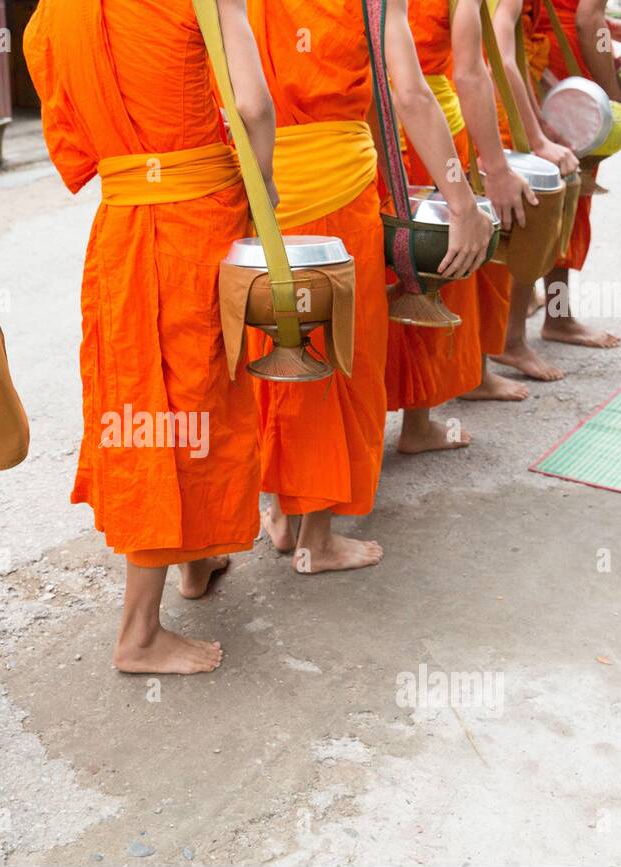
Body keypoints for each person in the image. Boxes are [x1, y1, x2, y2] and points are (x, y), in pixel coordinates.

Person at [25, 0, 273, 674]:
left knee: (156, 399)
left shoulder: (53, 14)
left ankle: (197, 562)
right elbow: (251, 105)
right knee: (179, 409)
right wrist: (265, 195)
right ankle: (138, 635)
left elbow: (70, 145)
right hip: (195, 219)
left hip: (123, 227)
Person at [252, 0, 492, 571]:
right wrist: (460, 202)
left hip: (261, 198)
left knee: (278, 349)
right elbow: (408, 94)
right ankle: (317, 536)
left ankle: (283, 511)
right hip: (338, 200)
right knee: (337, 357)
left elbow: (244, 99)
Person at [389, 0, 535, 451]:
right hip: (431, 133)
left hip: (371, 135)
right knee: (434, 269)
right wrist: (495, 167)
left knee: (390, 271)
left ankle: (451, 388)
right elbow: (470, 75)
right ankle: (419, 421)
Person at [486, 0, 586, 384]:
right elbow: (503, 60)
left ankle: (509, 336)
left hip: (497, 106)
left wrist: (540, 123)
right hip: (494, 113)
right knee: (527, 221)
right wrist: (536, 138)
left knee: (513, 228)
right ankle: (509, 341)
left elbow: (516, 58)